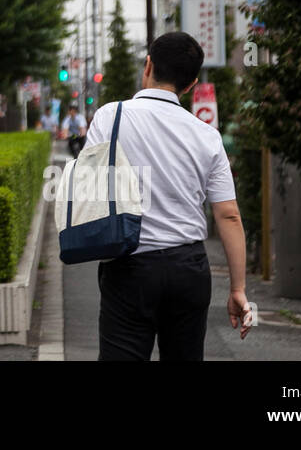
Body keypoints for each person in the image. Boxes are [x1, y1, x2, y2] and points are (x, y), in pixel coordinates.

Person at [84, 31, 248, 361]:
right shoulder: (207, 136)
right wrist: (237, 289)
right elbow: (228, 213)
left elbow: (90, 185)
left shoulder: (110, 116)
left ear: (148, 65)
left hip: (128, 263)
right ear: (189, 85)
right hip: (188, 269)